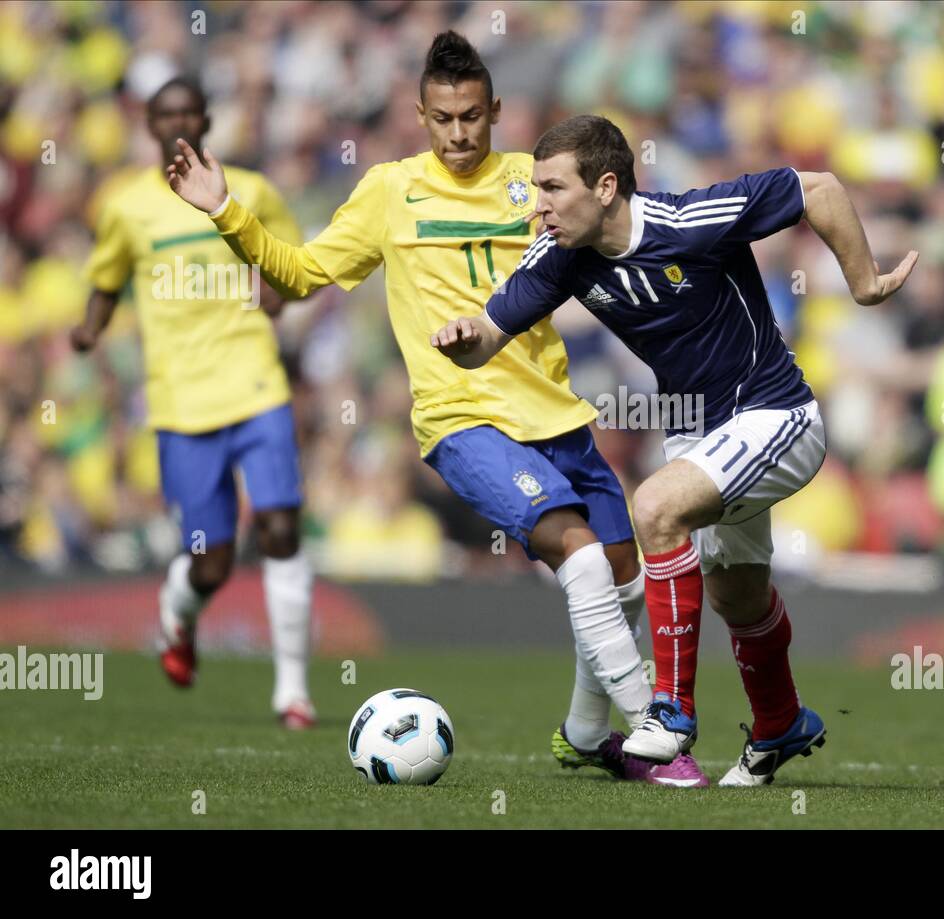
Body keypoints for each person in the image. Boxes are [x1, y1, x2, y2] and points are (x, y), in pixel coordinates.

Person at [163, 33, 705, 785]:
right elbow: (301, 272)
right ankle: (660, 741)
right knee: (579, 557)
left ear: (496, 112)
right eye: (444, 118)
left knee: (620, 575)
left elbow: (613, 225)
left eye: (473, 117)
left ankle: (585, 730)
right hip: (462, 421)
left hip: (556, 414)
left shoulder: (532, 180)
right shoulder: (388, 191)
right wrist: (224, 207)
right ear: (421, 114)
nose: (459, 134)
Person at [433, 114, 917, 785]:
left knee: (656, 507)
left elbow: (822, 189)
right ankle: (780, 723)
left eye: (551, 186)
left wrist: (863, 283)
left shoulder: (691, 220)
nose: (536, 202)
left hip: (777, 414)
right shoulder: (559, 256)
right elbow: (489, 331)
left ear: (606, 187)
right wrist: (467, 337)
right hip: (701, 433)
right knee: (736, 595)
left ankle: (672, 712)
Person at [73, 77, 316, 728]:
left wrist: (281, 294)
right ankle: (177, 618)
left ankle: (292, 691)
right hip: (182, 402)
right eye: (165, 113)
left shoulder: (253, 190)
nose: (179, 121)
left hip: (257, 383)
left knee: (282, 527)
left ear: (207, 120)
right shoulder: (127, 207)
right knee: (211, 560)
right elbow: (106, 279)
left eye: (189, 111)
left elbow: (296, 265)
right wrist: (91, 328)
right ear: (148, 125)